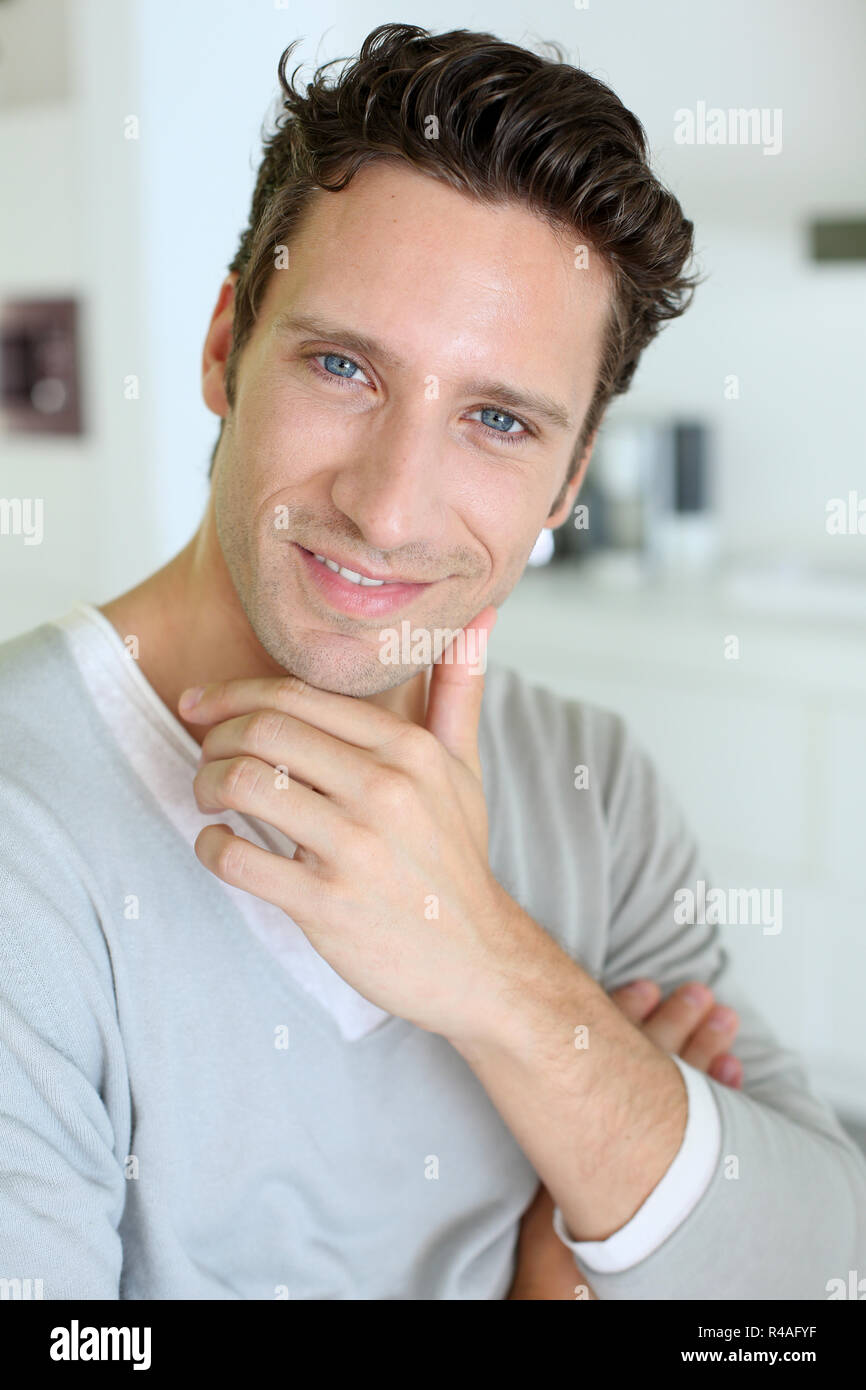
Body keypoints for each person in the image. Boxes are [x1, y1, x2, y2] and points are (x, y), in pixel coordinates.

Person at [1, 23, 864, 1301]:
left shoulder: (591, 784)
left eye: (497, 420)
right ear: (224, 343)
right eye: (343, 365)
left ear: (569, 481)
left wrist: (491, 972)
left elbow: (809, 1265)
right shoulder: (27, 827)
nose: (391, 506)